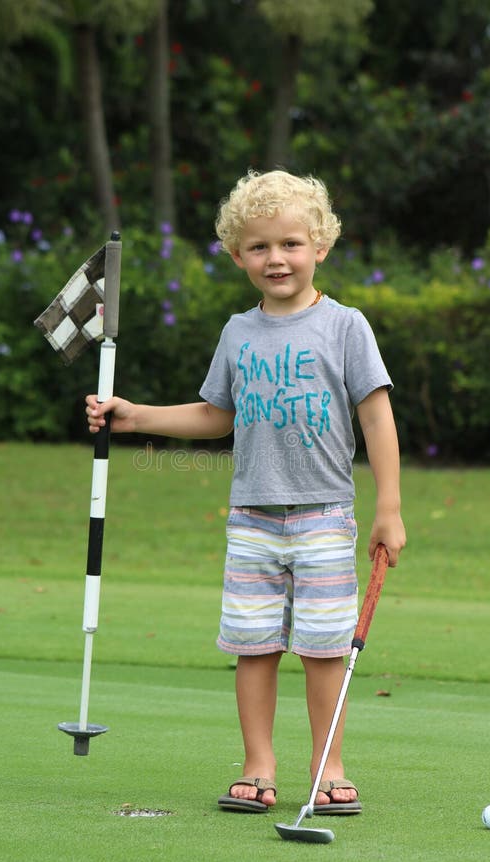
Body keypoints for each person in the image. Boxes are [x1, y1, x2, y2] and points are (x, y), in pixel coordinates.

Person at [85, 169, 406, 815]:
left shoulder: (346, 327)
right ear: (237, 255)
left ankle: (328, 766)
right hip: (252, 519)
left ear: (321, 246)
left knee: (322, 650)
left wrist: (389, 509)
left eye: (290, 243)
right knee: (253, 647)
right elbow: (216, 415)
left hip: (324, 515)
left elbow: (376, 417)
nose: (276, 258)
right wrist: (135, 415)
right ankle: (259, 765)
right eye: (258, 247)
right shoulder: (238, 332)